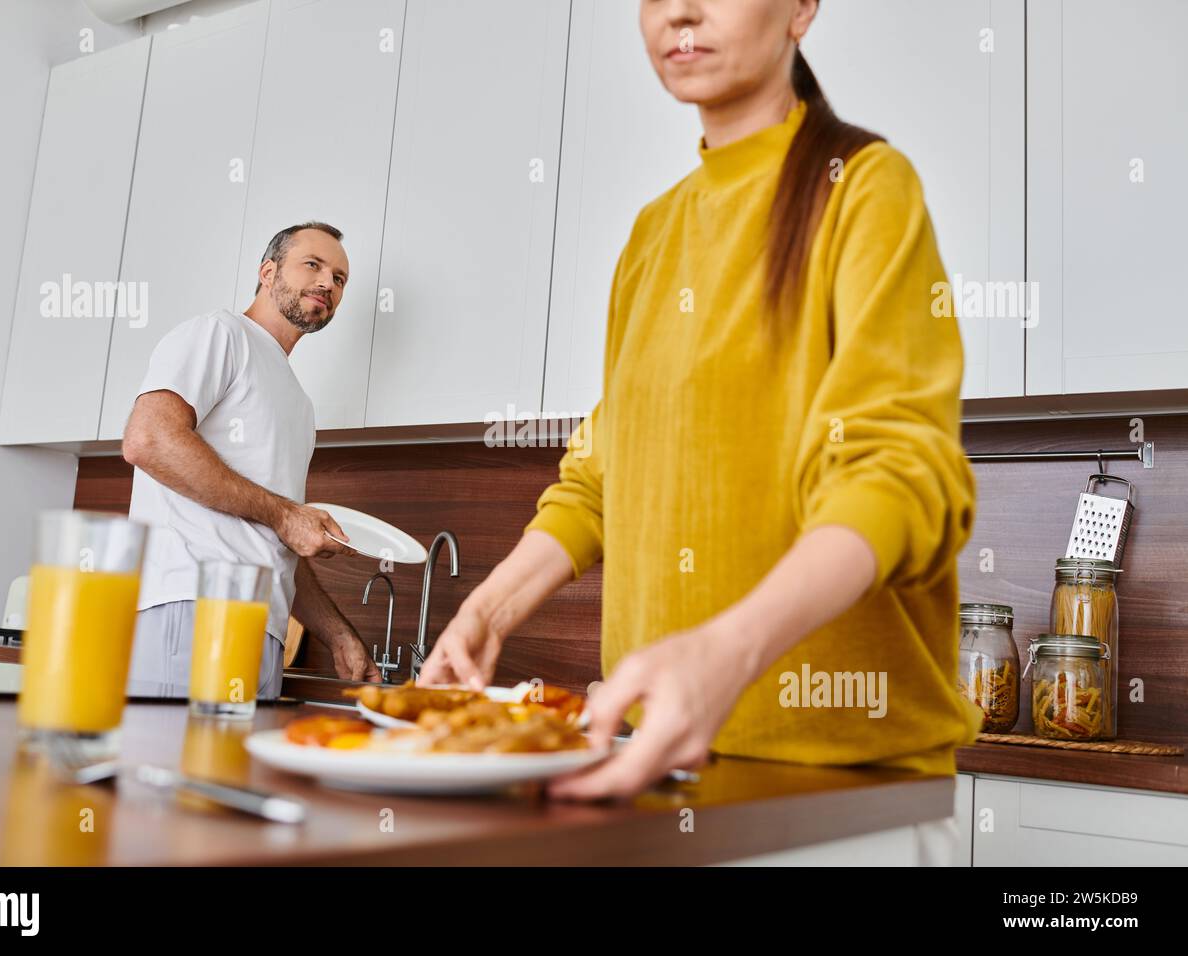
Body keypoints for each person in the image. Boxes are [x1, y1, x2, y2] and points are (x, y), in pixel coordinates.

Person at [420, 0, 982, 813]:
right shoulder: (652, 235)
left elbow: (898, 474)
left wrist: (727, 652)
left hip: (837, 787)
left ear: (801, 9)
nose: (680, 10)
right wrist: (487, 611)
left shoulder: (865, 187)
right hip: (653, 764)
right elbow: (598, 479)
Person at [122, 221, 381, 698]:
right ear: (267, 271)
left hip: (258, 628)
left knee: (225, 773)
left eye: (340, 278)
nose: (328, 283)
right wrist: (286, 515)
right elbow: (148, 439)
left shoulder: (299, 404)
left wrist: (339, 635)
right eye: (313, 265)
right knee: (167, 769)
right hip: (192, 608)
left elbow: (274, 536)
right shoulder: (219, 334)